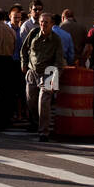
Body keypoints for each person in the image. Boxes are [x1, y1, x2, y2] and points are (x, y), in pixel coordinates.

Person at [20, 10, 64, 141]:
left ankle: (43, 132)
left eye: (46, 22)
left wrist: (55, 77)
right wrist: (24, 63)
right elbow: (24, 49)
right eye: (41, 22)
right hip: (32, 71)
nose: (43, 25)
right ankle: (35, 122)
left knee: (43, 102)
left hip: (48, 72)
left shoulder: (56, 39)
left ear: (52, 24)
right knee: (30, 100)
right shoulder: (33, 33)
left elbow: (59, 60)